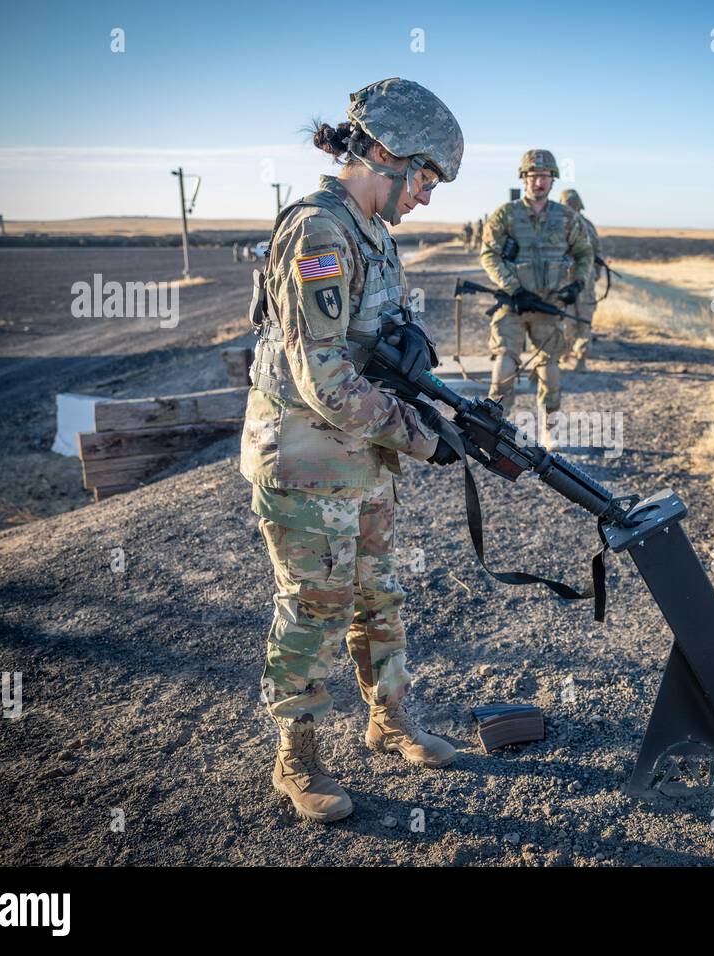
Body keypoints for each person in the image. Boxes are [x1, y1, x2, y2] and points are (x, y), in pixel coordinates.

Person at [239, 77, 464, 824]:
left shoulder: (375, 235)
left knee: (378, 594)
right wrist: (418, 436)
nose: (427, 196)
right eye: (425, 178)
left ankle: (388, 718)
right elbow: (325, 379)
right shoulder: (319, 233)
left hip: (360, 455)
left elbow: (383, 354)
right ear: (384, 155)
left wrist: (438, 406)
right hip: (305, 455)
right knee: (313, 606)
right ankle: (295, 759)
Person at [478, 149, 593, 449]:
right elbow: (488, 254)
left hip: (548, 304)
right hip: (514, 302)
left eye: (545, 177)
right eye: (533, 176)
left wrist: (576, 285)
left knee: (549, 365)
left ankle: (549, 429)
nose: (539, 182)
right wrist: (513, 286)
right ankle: (495, 424)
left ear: (552, 180)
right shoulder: (506, 214)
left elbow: (584, 254)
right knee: (505, 360)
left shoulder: (566, 218)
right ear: (524, 178)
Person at [557, 189, 601, 372]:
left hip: (576, 279)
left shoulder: (560, 223)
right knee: (575, 320)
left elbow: (596, 254)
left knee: (573, 319)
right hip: (577, 279)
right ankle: (571, 356)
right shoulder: (586, 225)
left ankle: (572, 356)